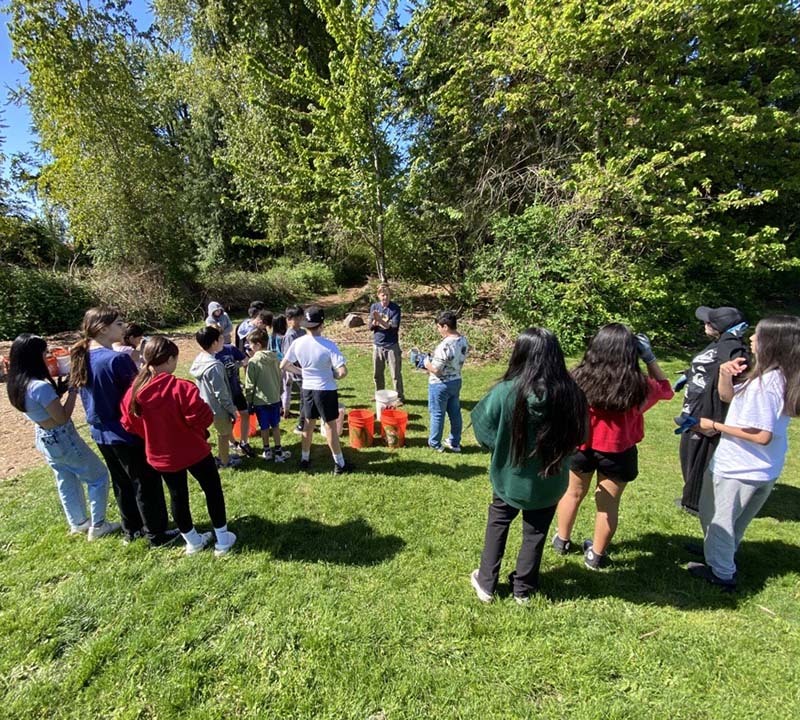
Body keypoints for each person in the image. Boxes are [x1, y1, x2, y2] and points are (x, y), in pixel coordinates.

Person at [469, 328, 588, 604]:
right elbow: (580, 437)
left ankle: (486, 583)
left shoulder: (505, 392)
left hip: (509, 477)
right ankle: (523, 588)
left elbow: (483, 429)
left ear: (520, 354)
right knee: (536, 532)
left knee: (498, 523)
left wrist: (500, 448)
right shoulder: (573, 394)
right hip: (550, 480)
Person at [687, 315, 800, 591]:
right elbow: (728, 397)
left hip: (740, 468)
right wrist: (725, 375)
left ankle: (722, 574)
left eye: (757, 335)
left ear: (773, 343)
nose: (750, 338)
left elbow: (761, 435)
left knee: (719, 519)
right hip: (762, 468)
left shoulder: (767, 384)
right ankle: (719, 552)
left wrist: (714, 425)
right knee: (731, 520)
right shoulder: (777, 376)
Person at [553, 324, 674, 570]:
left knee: (572, 493)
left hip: (581, 445)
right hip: (619, 450)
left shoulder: (577, 377)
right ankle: (596, 556)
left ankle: (562, 540)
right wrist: (650, 358)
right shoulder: (640, 385)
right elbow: (665, 389)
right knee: (608, 505)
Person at [70, 306, 177, 547]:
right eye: (118, 324)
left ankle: (133, 529)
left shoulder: (83, 356)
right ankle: (156, 534)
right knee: (145, 482)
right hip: (125, 432)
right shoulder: (117, 359)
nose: (123, 327)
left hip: (101, 433)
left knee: (122, 482)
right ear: (102, 329)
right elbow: (138, 395)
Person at [121, 336, 237, 556]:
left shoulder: (134, 392)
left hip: (163, 455)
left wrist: (152, 436)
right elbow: (203, 417)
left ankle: (192, 541)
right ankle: (223, 539)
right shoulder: (181, 388)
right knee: (212, 489)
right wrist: (197, 431)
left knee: (178, 496)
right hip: (194, 450)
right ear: (170, 359)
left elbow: (129, 423)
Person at [6, 334, 119, 540]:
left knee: (66, 479)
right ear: (34, 357)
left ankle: (78, 523)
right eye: (44, 353)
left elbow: (44, 409)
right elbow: (62, 417)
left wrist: (59, 392)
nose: (48, 356)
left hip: (44, 437)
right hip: (63, 437)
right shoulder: (40, 387)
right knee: (98, 476)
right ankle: (99, 525)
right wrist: (74, 391)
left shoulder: (17, 384)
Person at [676, 306, 749, 516]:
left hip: (708, 410)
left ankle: (696, 504)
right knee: (689, 453)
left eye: (709, 322)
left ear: (720, 327)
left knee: (702, 454)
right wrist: (689, 373)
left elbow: (733, 374)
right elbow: (710, 363)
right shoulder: (720, 342)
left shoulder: (730, 345)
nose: (705, 324)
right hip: (695, 406)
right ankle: (693, 497)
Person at [280, 305, 349, 474]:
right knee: (330, 426)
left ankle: (304, 459)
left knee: (308, 424)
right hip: (326, 390)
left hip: (307, 389)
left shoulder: (297, 343)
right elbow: (342, 372)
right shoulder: (328, 345)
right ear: (322, 325)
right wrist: (334, 375)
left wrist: (302, 372)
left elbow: (284, 365)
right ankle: (339, 464)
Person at [190, 326, 241, 469]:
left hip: (205, 403)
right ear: (214, 343)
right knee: (224, 434)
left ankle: (224, 456)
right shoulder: (215, 366)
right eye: (220, 338)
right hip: (218, 407)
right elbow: (221, 393)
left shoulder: (199, 359)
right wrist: (231, 409)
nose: (223, 340)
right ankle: (224, 461)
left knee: (221, 432)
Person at [424, 310, 469, 452]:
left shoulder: (445, 345)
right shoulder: (463, 340)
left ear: (445, 326)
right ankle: (455, 442)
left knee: (437, 413)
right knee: (455, 413)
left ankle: (435, 443)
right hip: (456, 381)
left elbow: (436, 369)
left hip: (440, 384)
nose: (438, 330)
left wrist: (425, 363)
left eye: (438, 327)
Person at [245, 328, 290, 462]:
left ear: (258, 345)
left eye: (251, 344)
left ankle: (267, 450)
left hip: (260, 401)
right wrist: (279, 393)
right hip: (275, 398)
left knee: (264, 427)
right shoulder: (275, 358)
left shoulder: (253, 362)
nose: (250, 347)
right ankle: (278, 450)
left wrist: (249, 400)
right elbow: (279, 378)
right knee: (275, 425)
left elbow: (250, 384)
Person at [212, 326, 254, 458]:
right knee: (229, 420)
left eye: (222, 336)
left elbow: (245, 359)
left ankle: (244, 442)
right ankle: (233, 442)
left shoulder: (230, 349)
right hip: (224, 393)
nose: (223, 338)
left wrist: (237, 365)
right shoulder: (212, 356)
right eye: (220, 337)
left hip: (236, 389)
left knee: (245, 414)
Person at [369, 284, 404, 405]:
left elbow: (393, 327)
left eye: (387, 295)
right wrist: (375, 322)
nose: (385, 297)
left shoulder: (395, 309)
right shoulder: (374, 307)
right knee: (377, 374)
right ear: (378, 295)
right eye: (383, 295)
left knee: (395, 373)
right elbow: (370, 327)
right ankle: (379, 394)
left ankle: (399, 397)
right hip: (377, 345)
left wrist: (380, 321)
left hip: (391, 345)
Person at [281, 305, 306, 424]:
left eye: (300, 317)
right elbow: (288, 356)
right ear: (289, 319)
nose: (299, 320)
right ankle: (302, 422)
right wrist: (298, 368)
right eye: (296, 318)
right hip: (295, 370)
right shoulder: (290, 335)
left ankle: (305, 419)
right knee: (304, 396)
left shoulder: (303, 331)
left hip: (305, 366)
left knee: (306, 395)